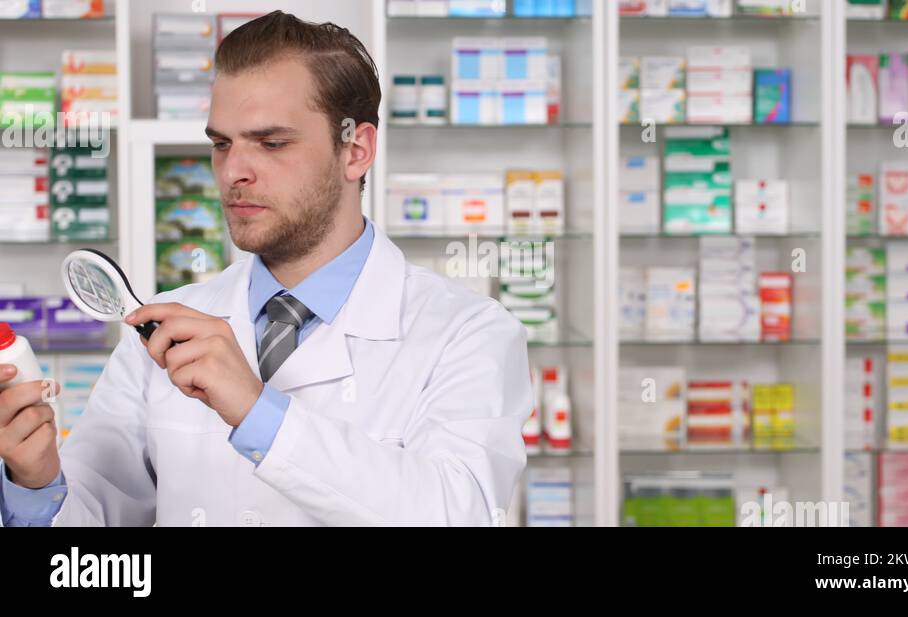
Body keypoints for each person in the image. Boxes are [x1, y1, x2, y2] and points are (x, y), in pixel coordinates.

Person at [0, 11, 532, 526]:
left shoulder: (468, 333)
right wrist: (36, 480)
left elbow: (456, 513)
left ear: (356, 149)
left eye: (271, 143)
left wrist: (258, 413)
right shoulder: (160, 332)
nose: (234, 172)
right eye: (221, 144)